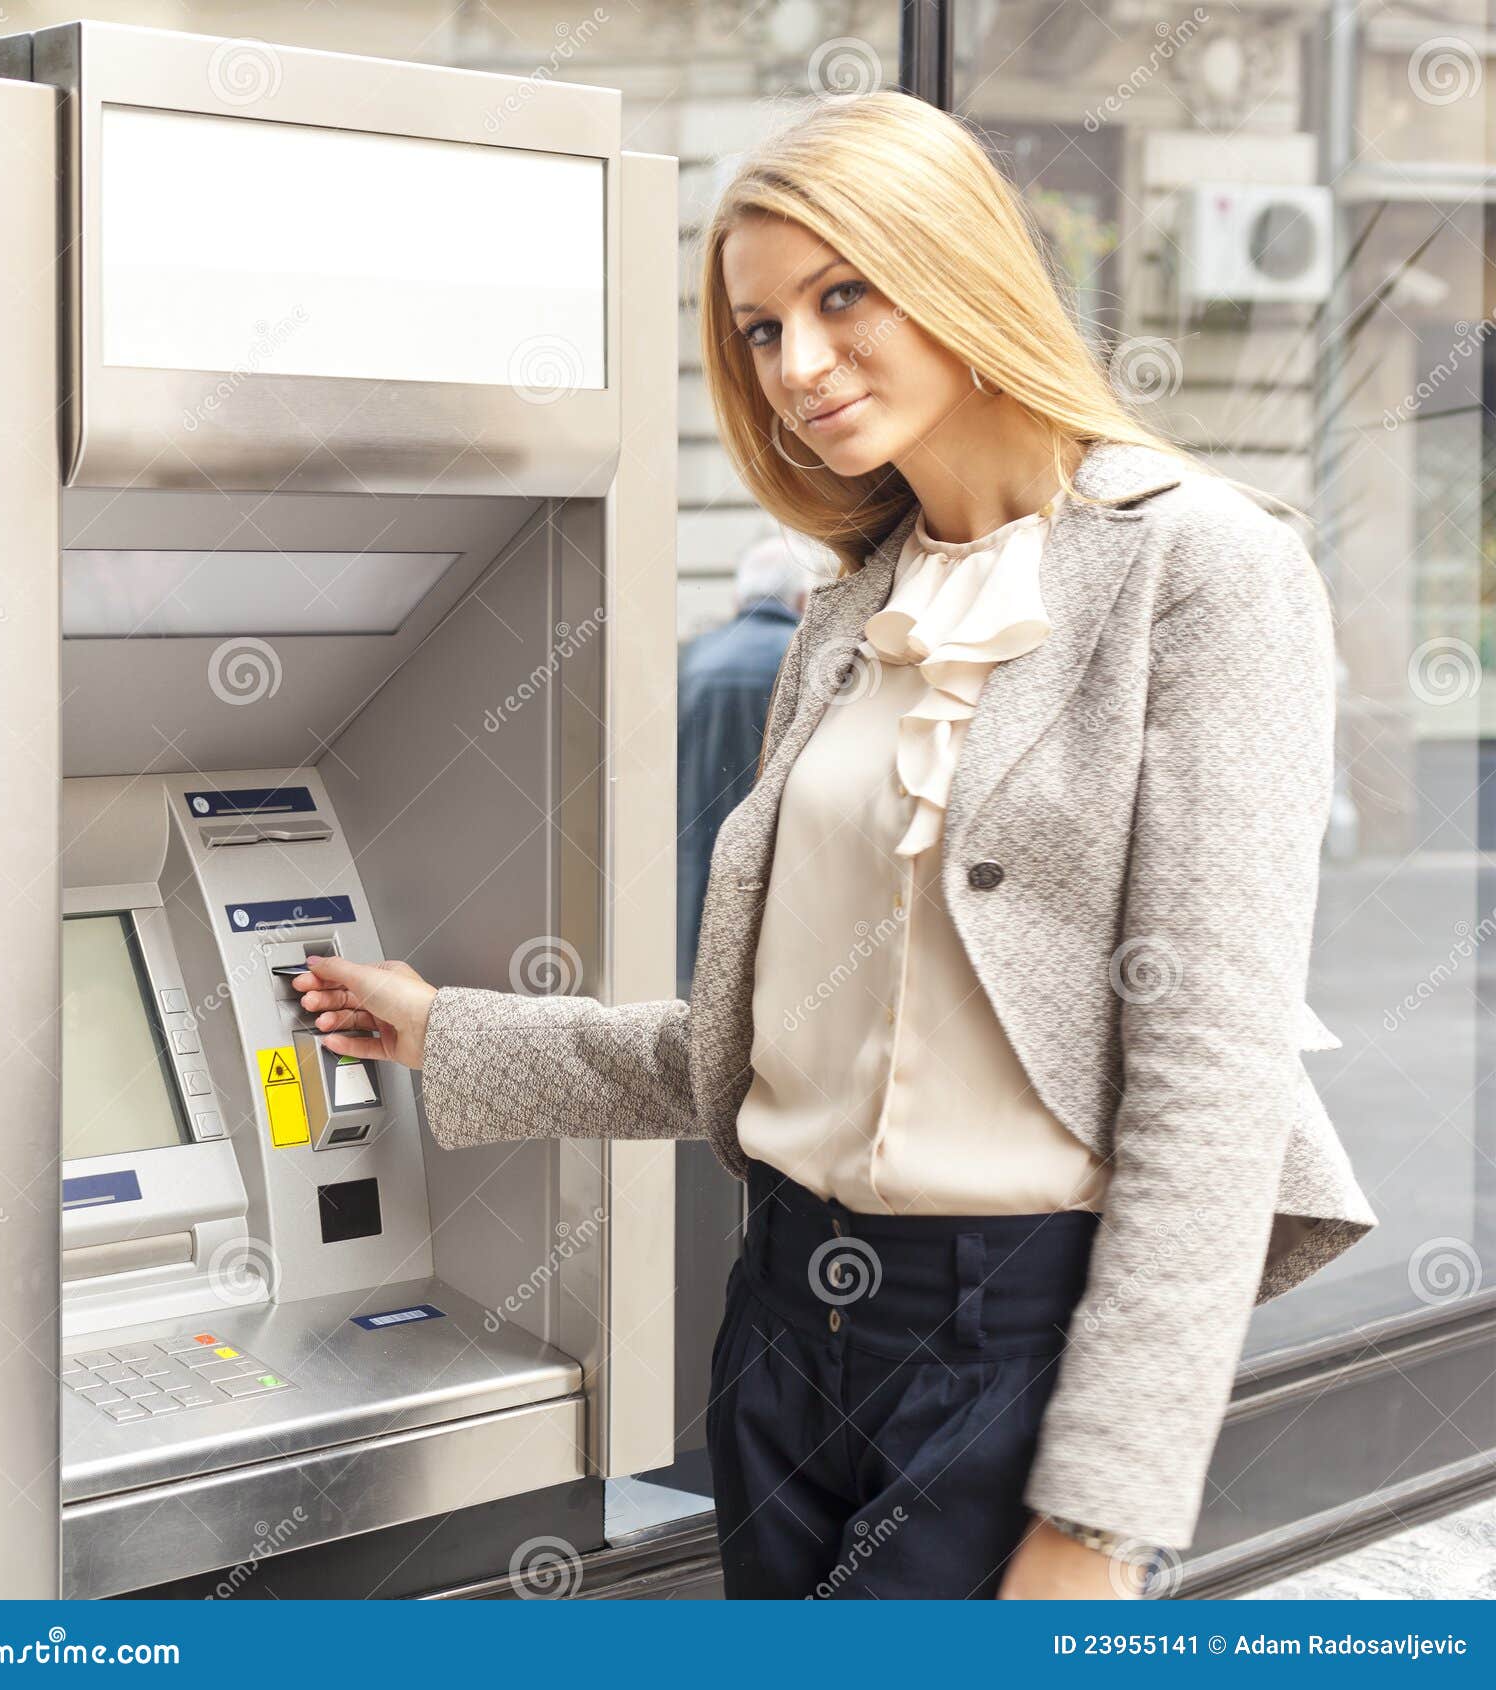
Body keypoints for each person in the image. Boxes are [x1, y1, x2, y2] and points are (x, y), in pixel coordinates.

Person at [292, 91, 1376, 1600]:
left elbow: (1209, 1085)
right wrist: (452, 1032)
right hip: (788, 1327)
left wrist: (1104, 1509)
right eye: (757, 329)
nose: (799, 364)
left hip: (1010, 1345)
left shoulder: (1203, 569)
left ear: (958, 266)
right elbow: (760, 1050)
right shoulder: (855, 605)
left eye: (841, 294)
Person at [676, 535, 810, 995]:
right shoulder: (805, 658)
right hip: (774, 871)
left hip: (693, 860)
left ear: (738, 596)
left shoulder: (693, 657)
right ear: (803, 599)